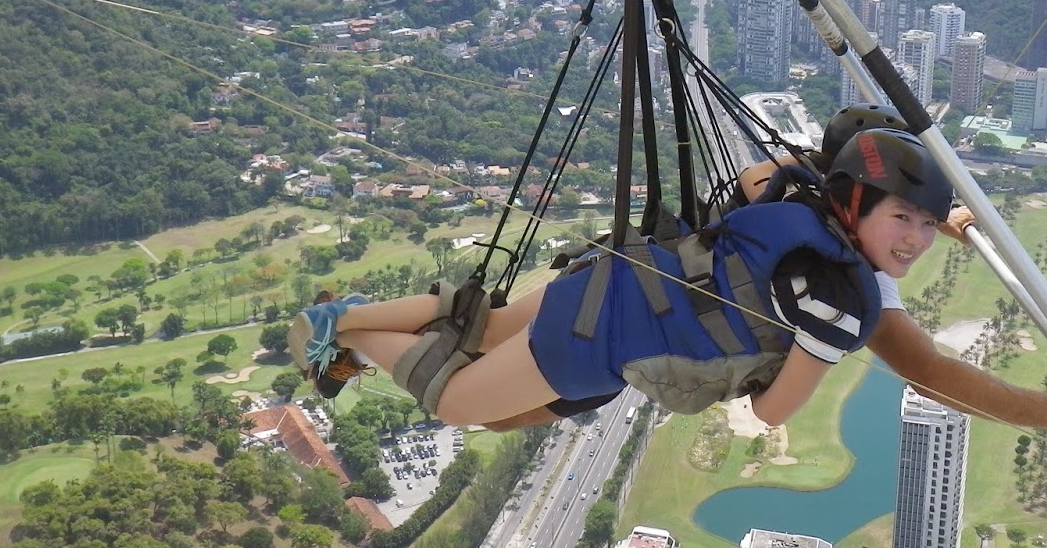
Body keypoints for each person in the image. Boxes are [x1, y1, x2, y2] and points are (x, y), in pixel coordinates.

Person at [291, 127, 943, 429]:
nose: (916, 238)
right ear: (856, 202)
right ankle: (338, 332)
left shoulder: (793, 199)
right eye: (902, 217)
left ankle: (349, 316)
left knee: (481, 328)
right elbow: (772, 413)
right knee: (458, 401)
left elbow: (756, 186)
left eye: (929, 224)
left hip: (612, 276)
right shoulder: (840, 306)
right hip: (602, 345)